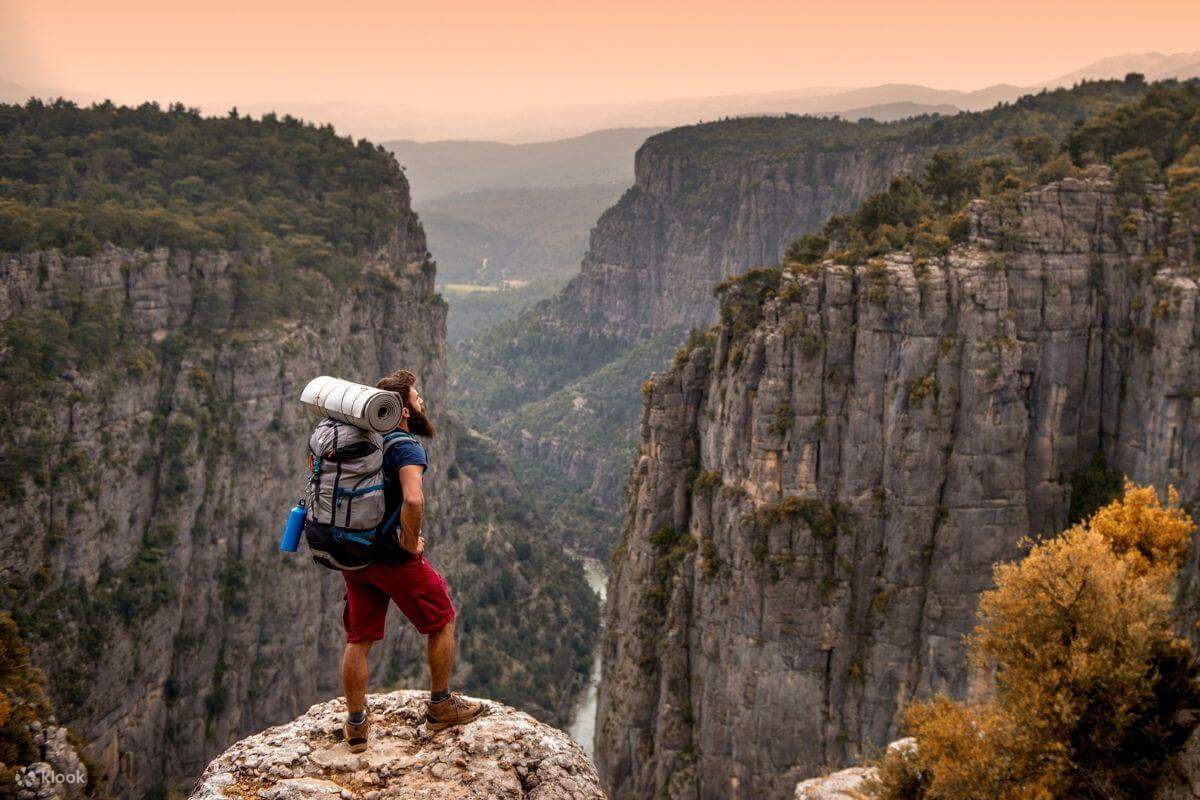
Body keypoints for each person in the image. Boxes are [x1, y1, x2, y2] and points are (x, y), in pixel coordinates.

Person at [339, 369, 482, 752]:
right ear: (402, 410)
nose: (423, 404)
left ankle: (355, 726)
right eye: (417, 400)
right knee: (442, 619)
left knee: (359, 638)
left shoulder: (364, 439)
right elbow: (414, 500)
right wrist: (408, 543)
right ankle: (440, 707)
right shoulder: (405, 446)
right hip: (390, 557)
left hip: (354, 555)